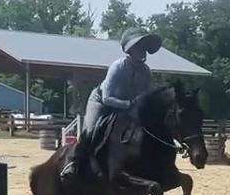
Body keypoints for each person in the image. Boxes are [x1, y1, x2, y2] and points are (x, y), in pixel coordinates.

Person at [61, 27, 163, 184]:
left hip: (128, 107)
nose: (143, 51)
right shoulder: (118, 66)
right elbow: (107, 98)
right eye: (139, 47)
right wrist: (129, 103)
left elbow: (147, 96)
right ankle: (72, 163)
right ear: (130, 50)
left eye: (144, 48)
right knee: (91, 131)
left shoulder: (146, 71)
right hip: (102, 103)